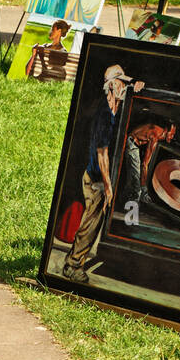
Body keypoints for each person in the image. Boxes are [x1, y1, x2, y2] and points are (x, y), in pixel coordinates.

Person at [63, 63, 145, 282]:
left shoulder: (114, 108)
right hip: (96, 179)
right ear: (111, 86)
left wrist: (135, 85)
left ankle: (75, 262)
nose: (124, 87)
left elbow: (131, 89)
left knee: (93, 224)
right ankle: (72, 266)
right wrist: (108, 188)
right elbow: (102, 155)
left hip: (100, 179)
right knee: (89, 226)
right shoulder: (104, 115)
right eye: (121, 83)